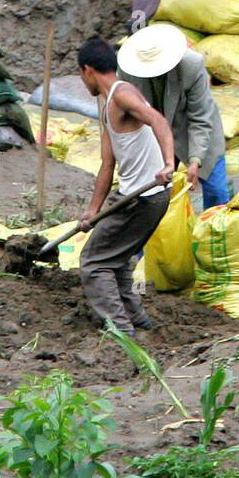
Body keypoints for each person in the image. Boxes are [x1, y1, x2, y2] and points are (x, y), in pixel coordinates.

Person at [76, 37, 175, 334]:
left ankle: (121, 333)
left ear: (88, 70)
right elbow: (108, 164)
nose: (83, 82)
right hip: (139, 195)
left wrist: (168, 163)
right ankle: (139, 322)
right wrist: (92, 212)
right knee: (115, 261)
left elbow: (158, 120)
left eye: (81, 76)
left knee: (93, 263)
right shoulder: (107, 104)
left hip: (144, 197)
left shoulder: (123, 95)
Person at [118, 23, 230, 209]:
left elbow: (200, 118)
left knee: (217, 192)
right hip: (153, 135)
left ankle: (214, 231)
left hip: (190, 130)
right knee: (153, 195)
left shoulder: (191, 66)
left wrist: (195, 160)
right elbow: (125, 114)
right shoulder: (127, 70)